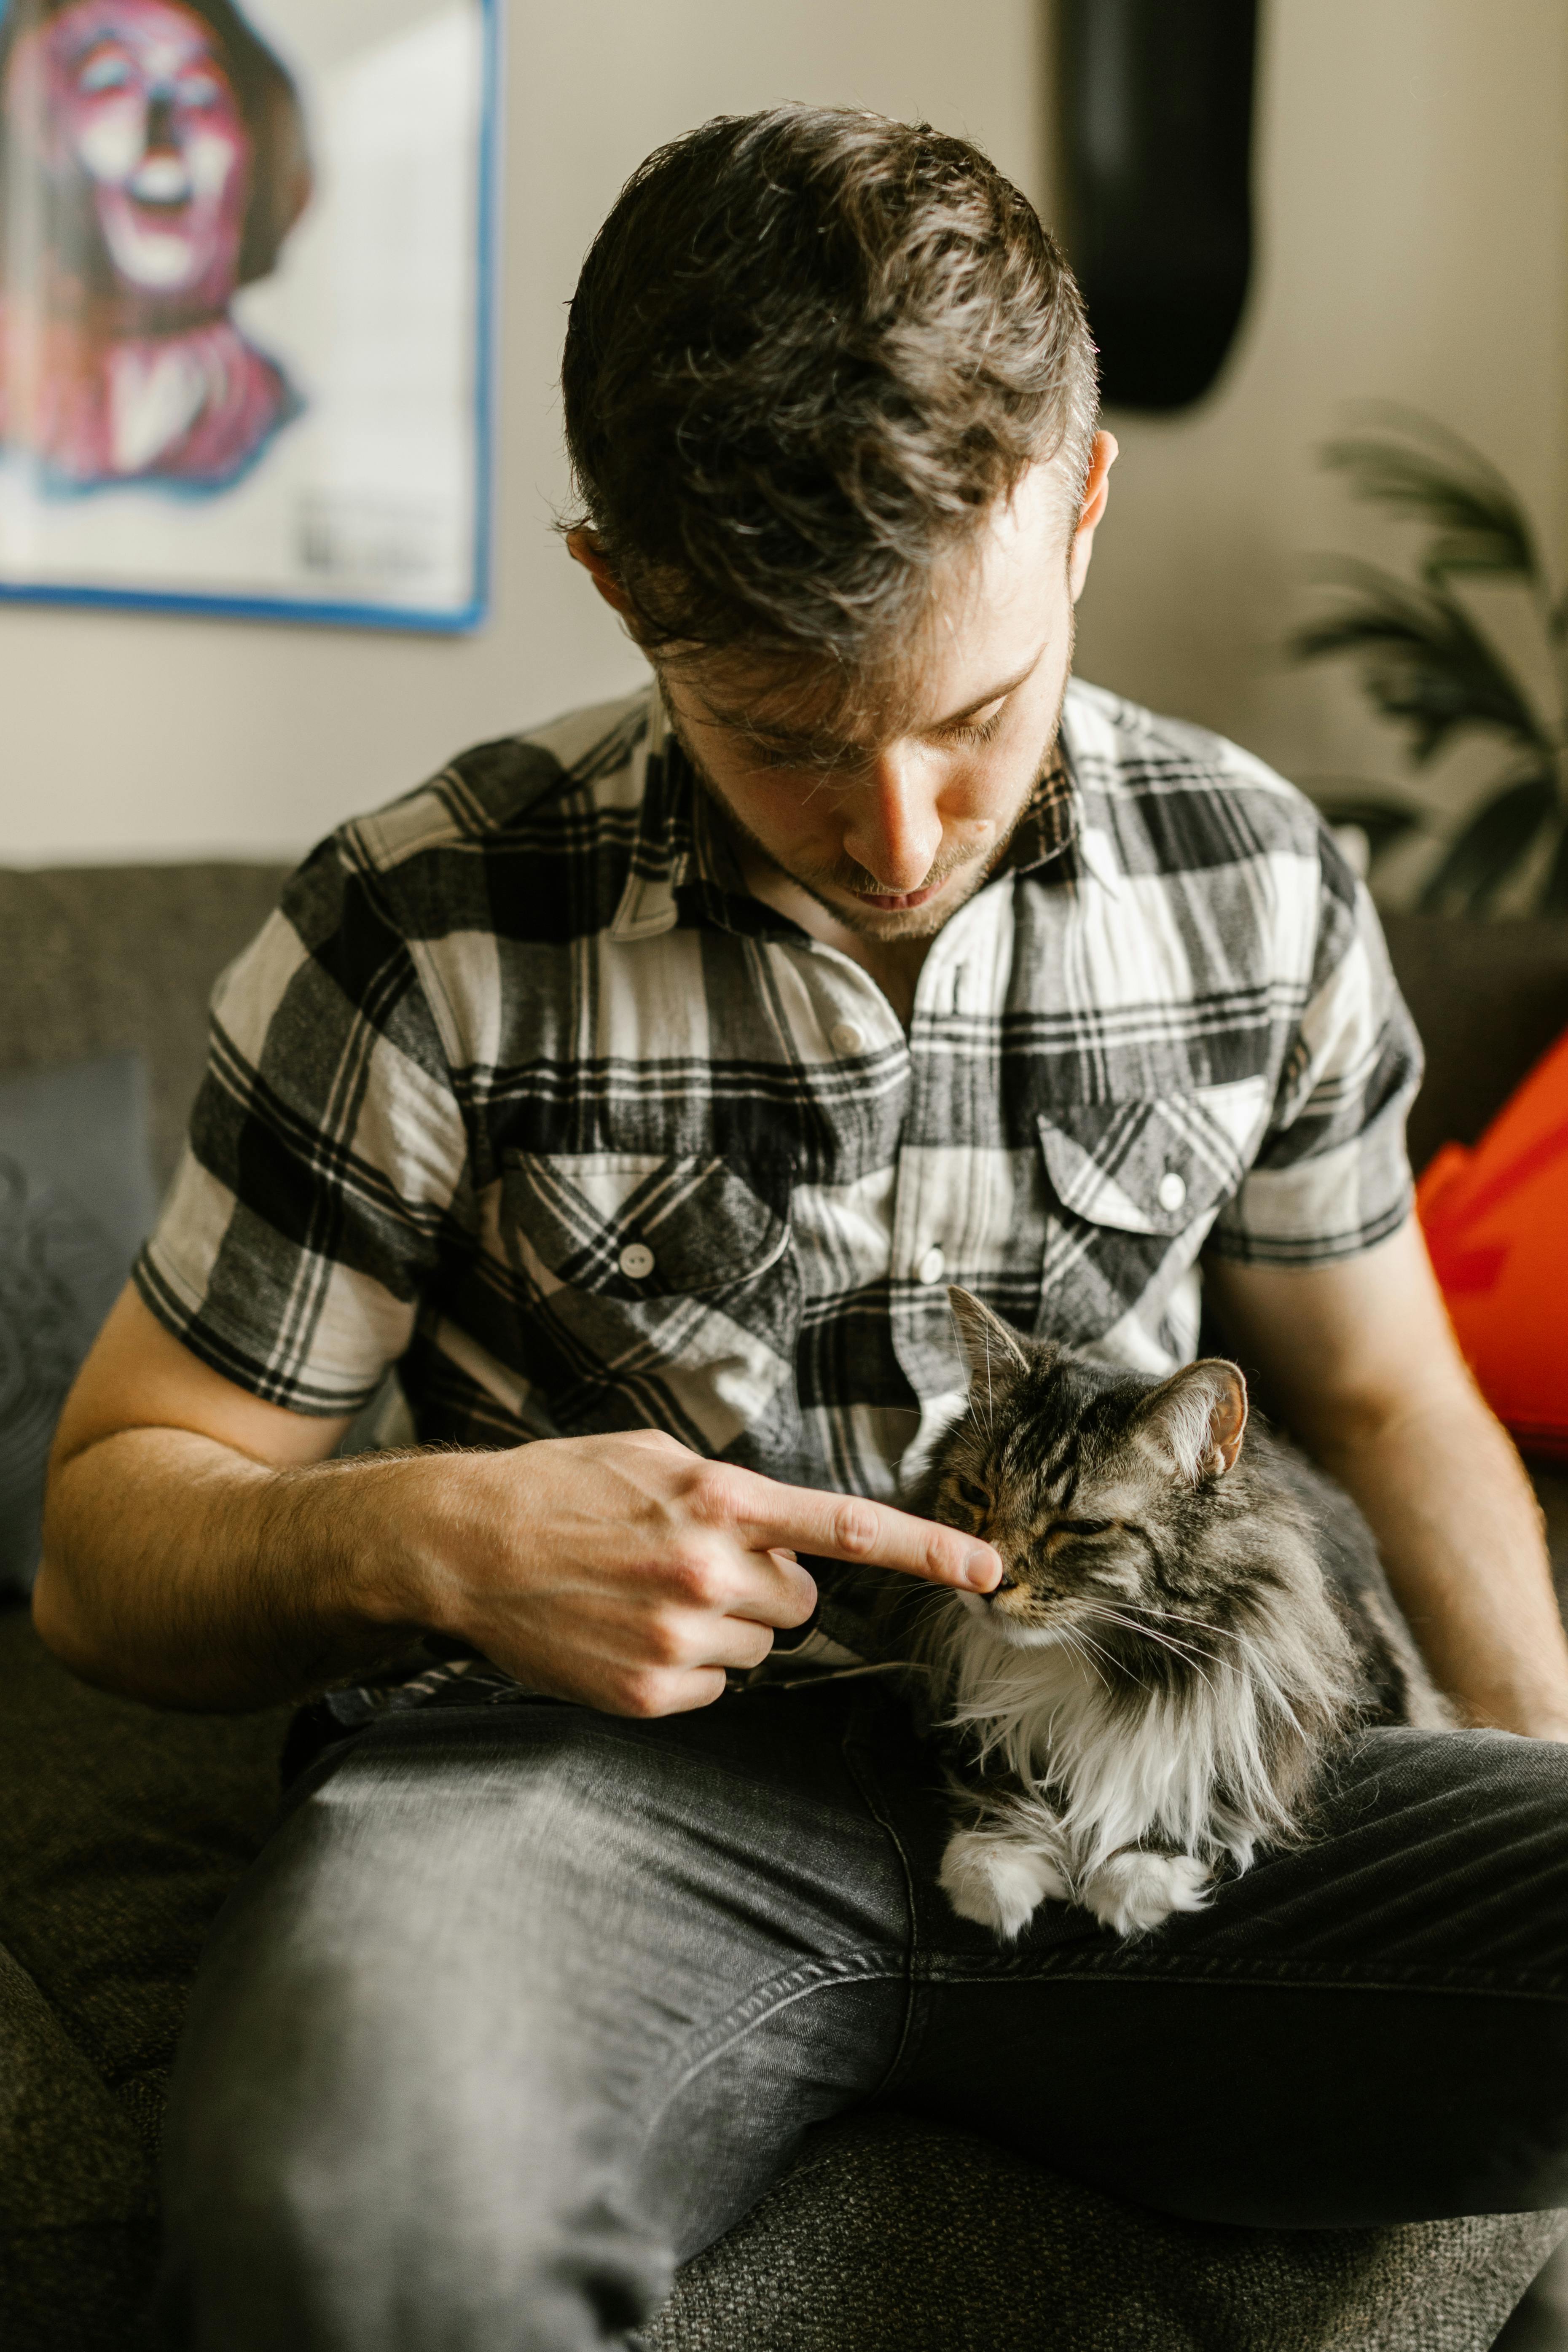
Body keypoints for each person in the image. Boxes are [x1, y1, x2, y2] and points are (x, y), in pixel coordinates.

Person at [34, 106, 1568, 2352]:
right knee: (343, 2212)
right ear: (618, 579)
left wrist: (1509, 1810)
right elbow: (102, 1542)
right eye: (774, 735)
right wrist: (431, 1536)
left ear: (1083, 499)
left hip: (1141, 1760)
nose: (890, 823)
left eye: (970, 709)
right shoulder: (416, 925)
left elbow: (1370, 1381)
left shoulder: (1259, 878)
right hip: (585, 1798)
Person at [0, 0, 310, 488]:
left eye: (201, 92)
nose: (163, 135)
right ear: (42, 134)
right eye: (112, 82)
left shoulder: (273, 414)